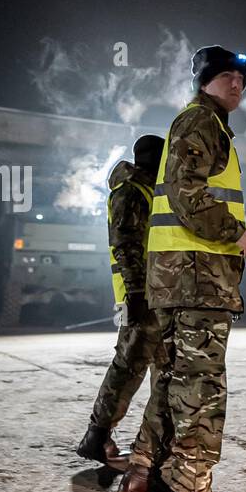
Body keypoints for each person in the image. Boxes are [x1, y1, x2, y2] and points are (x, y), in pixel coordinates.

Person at [118, 45, 246, 492]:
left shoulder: (200, 123)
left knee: (174, 379)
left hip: (181, 279)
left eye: (241, 78)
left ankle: (142, 474)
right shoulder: (201, 122)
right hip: (199, 279)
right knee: (202, 386)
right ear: (204, 81)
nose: (236, 84)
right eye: (225, 76)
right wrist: (238, 232)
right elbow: (188, 195)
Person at [75, 134, 165, 469]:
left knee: (149, 367)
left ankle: (112, 440)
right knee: (128, 367)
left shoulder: (148, 190)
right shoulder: (132, 191)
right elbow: (125, 246)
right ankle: (97, 437)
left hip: (150, 296)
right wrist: (138, 294)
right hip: (140, 297)